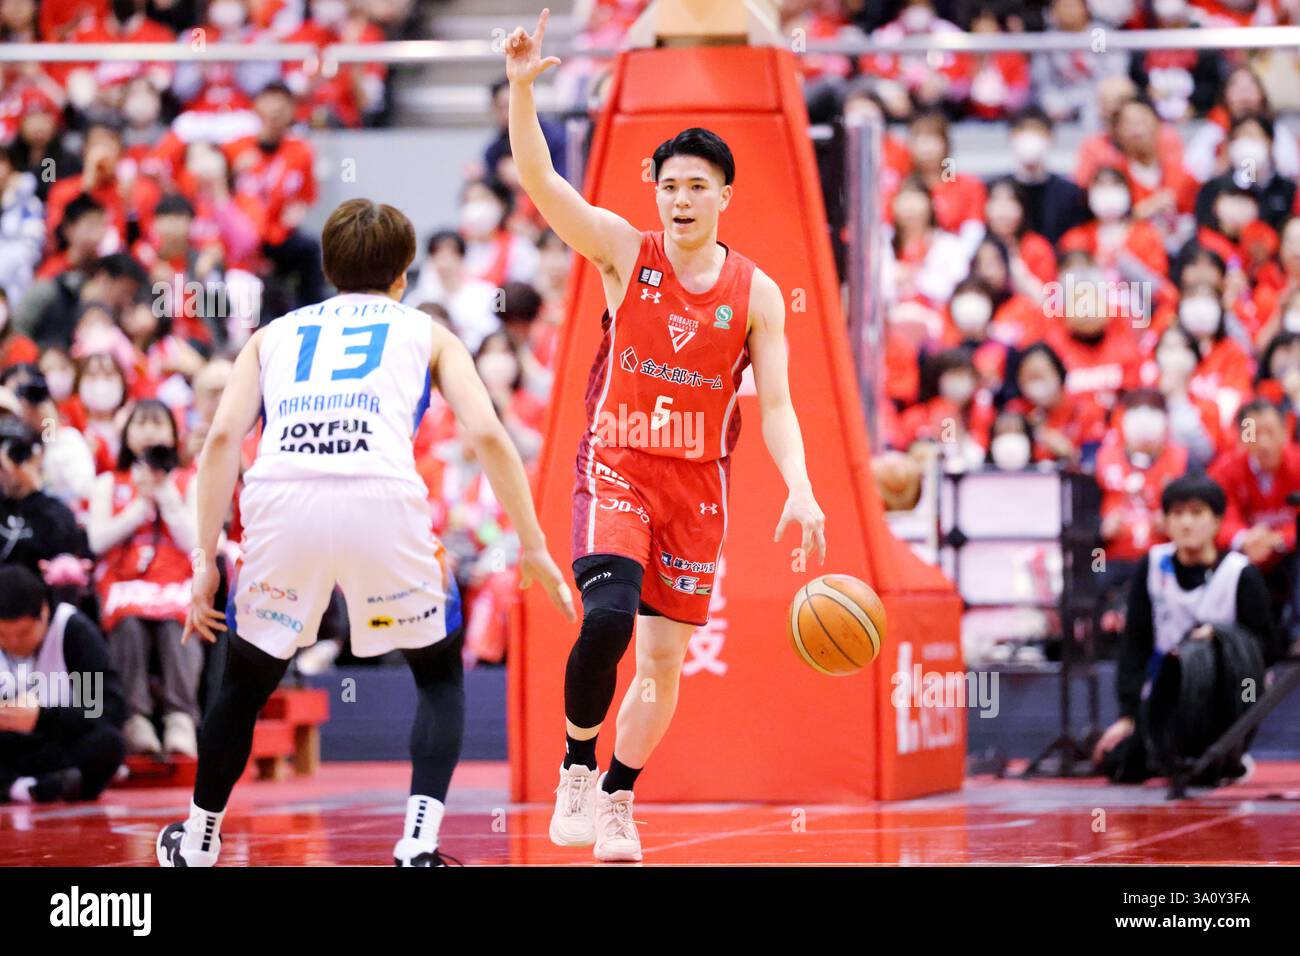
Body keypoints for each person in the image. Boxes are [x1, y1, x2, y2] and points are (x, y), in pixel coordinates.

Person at [156, 197, 573, 868]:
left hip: (281, 498)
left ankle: (199, 839)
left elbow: (224, 439)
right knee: (437, 673)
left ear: (326, 268)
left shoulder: (272, 335)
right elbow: (490, 434)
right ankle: (417, 844)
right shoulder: (429, 332)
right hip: (382, 497)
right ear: (404, 276)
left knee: (244, 681)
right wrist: (532, 544)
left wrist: (205, 558)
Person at [507, 11, 826, 863]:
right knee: (607, 617)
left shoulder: (756, 293)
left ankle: (618, 796)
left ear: (725, 195)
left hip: (697, 488)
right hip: (617, 465)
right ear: (656, 190)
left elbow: (781, 407)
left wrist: (800, 485)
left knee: (661, 665)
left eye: (697, 187)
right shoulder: (623, 252)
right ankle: (575, 768)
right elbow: (545, 188)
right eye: (670, 185)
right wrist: (522, 91)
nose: (681, 200)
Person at [1093, 474, 1276, 783]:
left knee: (1203, 772)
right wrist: (1128, 715)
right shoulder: (1151, 565)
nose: (1186, 523)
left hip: (1225, 691)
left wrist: (1220, 637)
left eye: (1196, 513)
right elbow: (1135, 643)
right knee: (1122, 766)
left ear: (1217, 521)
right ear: (1165, 522)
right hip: (1167, 689)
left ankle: (1230, 749)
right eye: (1177, 514)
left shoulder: (1240, 574)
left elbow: (1268, 646)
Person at [87, 399, 201, 758]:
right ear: (126, 433)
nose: (150, 430)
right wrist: (140, 506)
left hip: (175, 581)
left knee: (175, 625)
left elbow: (196, 541)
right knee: (130, 623)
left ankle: (180, 718)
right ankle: (134, 718)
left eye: (158, 423)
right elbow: (97, 540)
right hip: (126, 580)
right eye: (141, 422)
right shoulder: (109, 482)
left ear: (172, 433)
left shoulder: (188, 481)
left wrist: (165, 495)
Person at [0, 564, 126, 805]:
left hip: (56, 743)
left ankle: (15, 788)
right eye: (3, 636)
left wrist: (41, 717)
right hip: (9, 748)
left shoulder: (72, 631)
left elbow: (105, 710)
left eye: (23, 633)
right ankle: (27, 789)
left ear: (44, 613)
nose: (13, 643)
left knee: (107, 742)